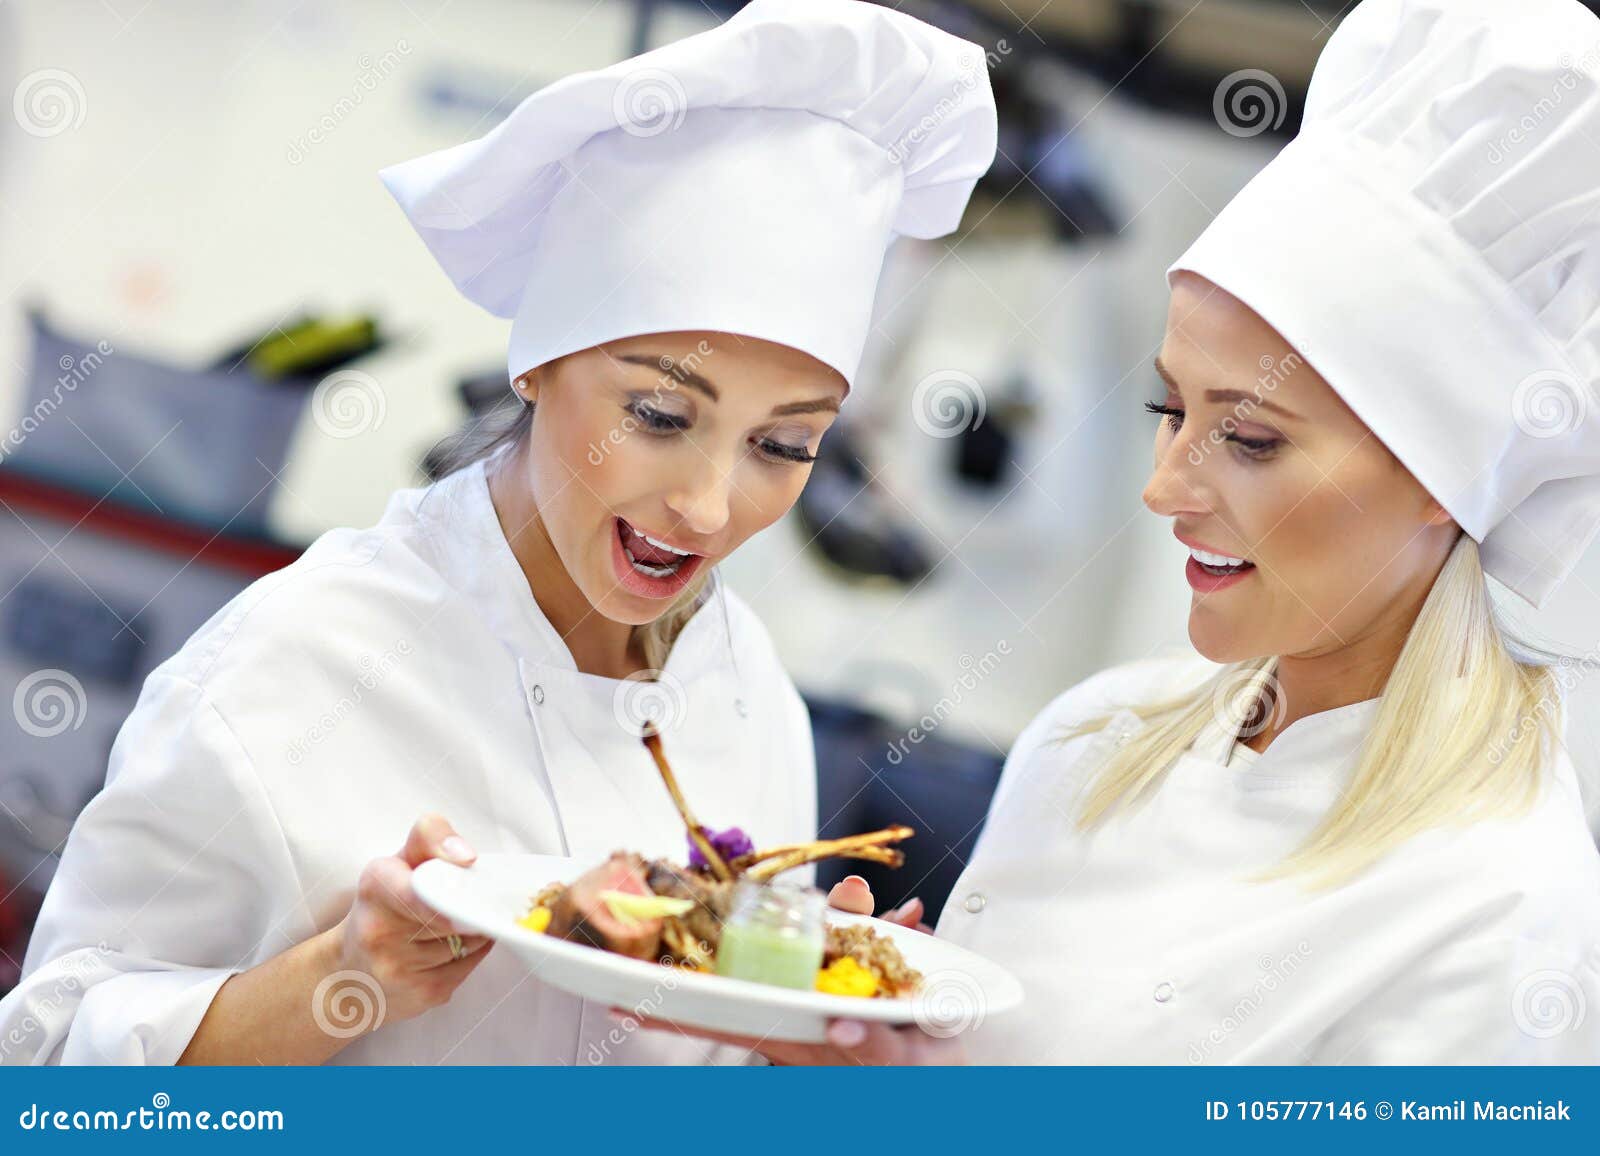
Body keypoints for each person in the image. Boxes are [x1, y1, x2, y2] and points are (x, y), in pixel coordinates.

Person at [0, 0, 996, 1065]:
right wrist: (335, 980)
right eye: (660, 416)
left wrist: (812, 1051)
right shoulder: (299, 659)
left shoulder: (747, 694)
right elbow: (50, 1077)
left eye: (783, 446)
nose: (709, 507)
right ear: (538, 362)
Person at [646, 0, 1600, 1064]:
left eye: (1246, 436)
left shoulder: (1497, 905)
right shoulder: (1092, 741)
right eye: (1169, 411)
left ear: (1439, 475)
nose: (1163, 489)